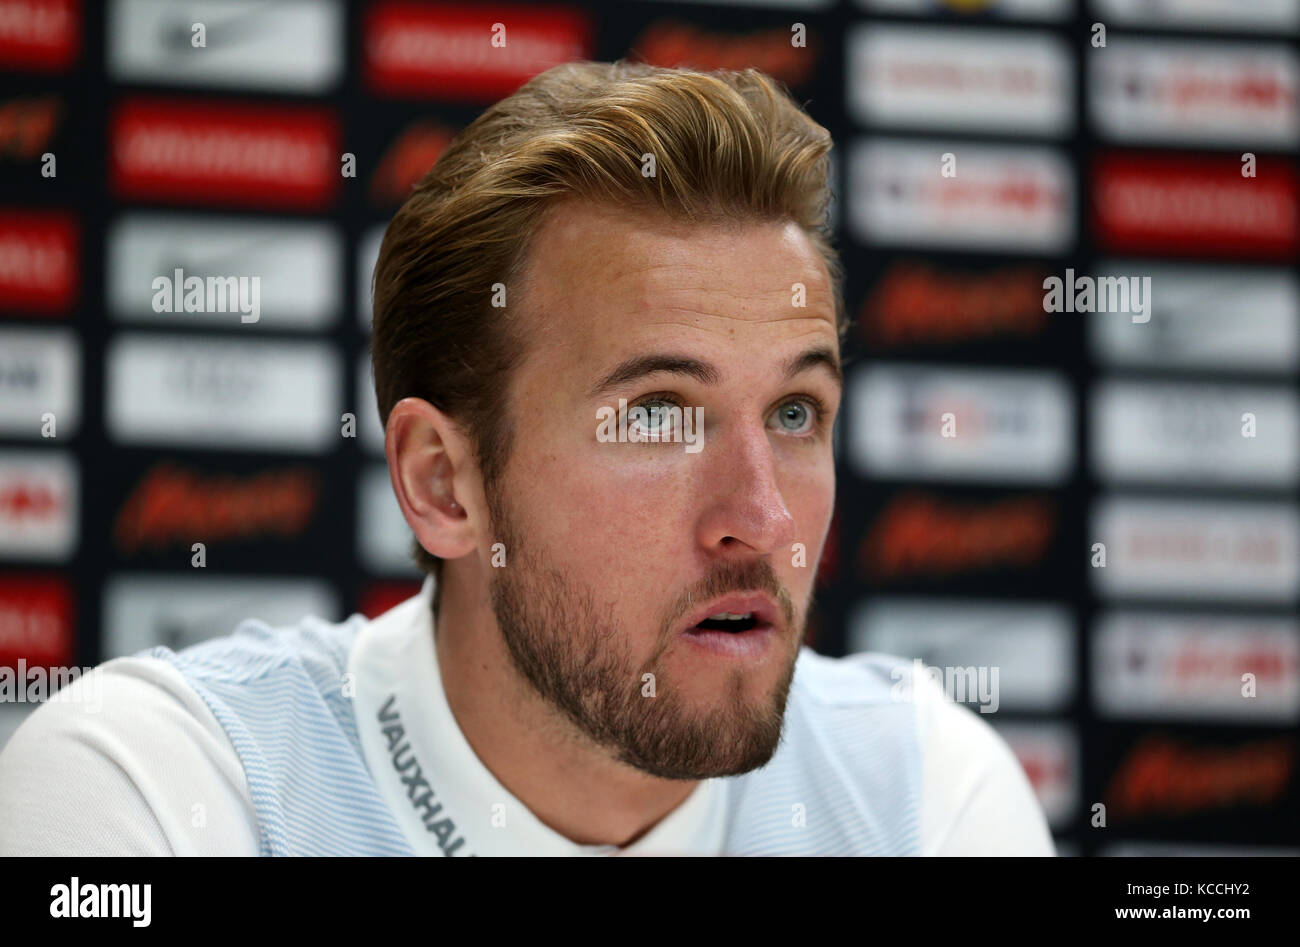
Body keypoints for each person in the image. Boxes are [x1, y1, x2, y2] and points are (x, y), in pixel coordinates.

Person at [0, 61, 1053, 856]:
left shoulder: (925, 799)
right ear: (442, 482)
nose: (764, 520)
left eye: (792, 411)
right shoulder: (166, 788)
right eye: (655, 414)